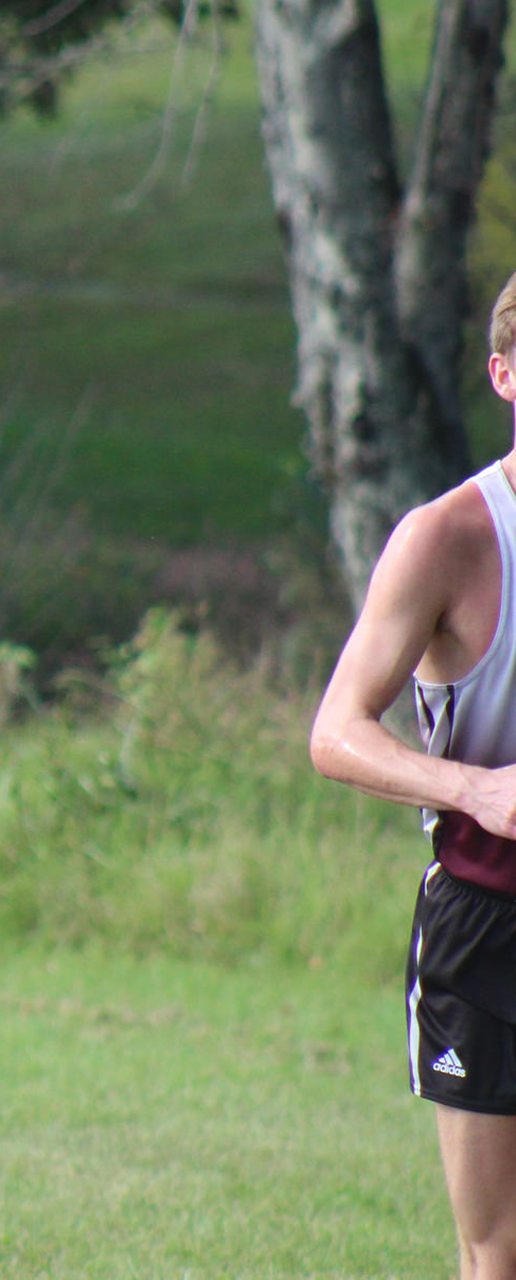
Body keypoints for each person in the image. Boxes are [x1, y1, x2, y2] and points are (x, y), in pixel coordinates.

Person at [311, 270, 516, 1280]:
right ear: (504, 373)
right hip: (489, 920)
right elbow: (336, 732)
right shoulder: (447, 537)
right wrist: (480, 789)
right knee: (500, 1245)